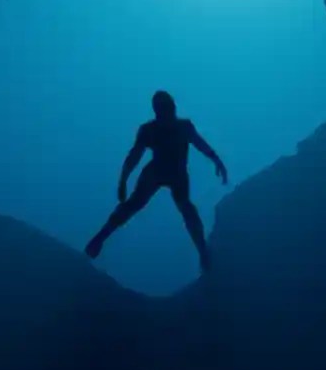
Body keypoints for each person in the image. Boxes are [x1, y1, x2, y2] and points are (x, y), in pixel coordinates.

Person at [85, 91, 228, 272]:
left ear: (172, 108)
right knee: (135, 205)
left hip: (176, 174)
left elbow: (200, 144)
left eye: (168, 108)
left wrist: (217, 160)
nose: (167, 113)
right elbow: (134, 156)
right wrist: (123, 180)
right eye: (163, 109)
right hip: (157, 171)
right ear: (158, 111)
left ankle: (203, 252)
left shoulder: (182, 127)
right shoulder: (150, 130)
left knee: (186, 209)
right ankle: (99, 239)